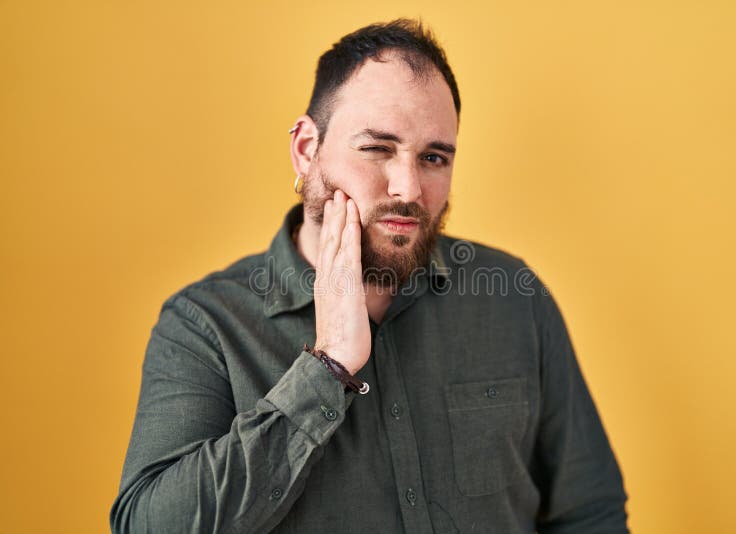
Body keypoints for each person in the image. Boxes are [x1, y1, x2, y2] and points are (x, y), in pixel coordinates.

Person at [110, 18, 629, 533]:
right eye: (377, 148)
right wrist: (328, 366)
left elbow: (591, 512)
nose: (408, 188)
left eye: (433, 157)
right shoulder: (206, 325)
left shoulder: (515, 299)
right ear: (306, 150)